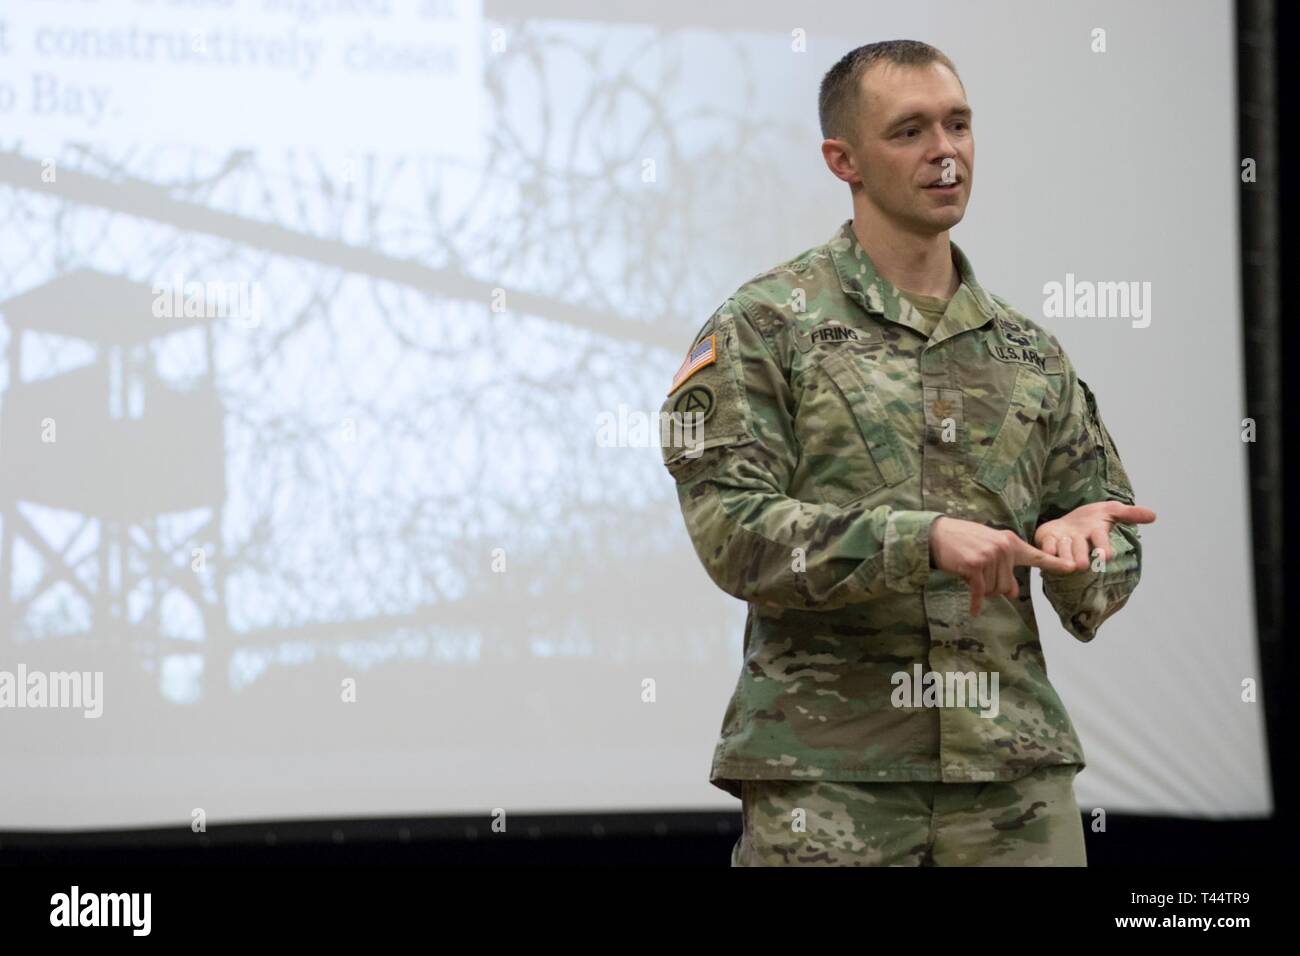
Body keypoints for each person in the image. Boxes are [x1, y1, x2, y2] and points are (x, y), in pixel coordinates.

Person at [658, 39, 1157, 866]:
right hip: (830, 778)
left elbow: (1110, 528)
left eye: (959, 124)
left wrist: (1087, 552)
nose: (945, 152)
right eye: (911, 131)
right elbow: (733, 530)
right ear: (842, 159)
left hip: (1014, 781)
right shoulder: (763, 326)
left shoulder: (1028, 352)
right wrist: (919, 539)